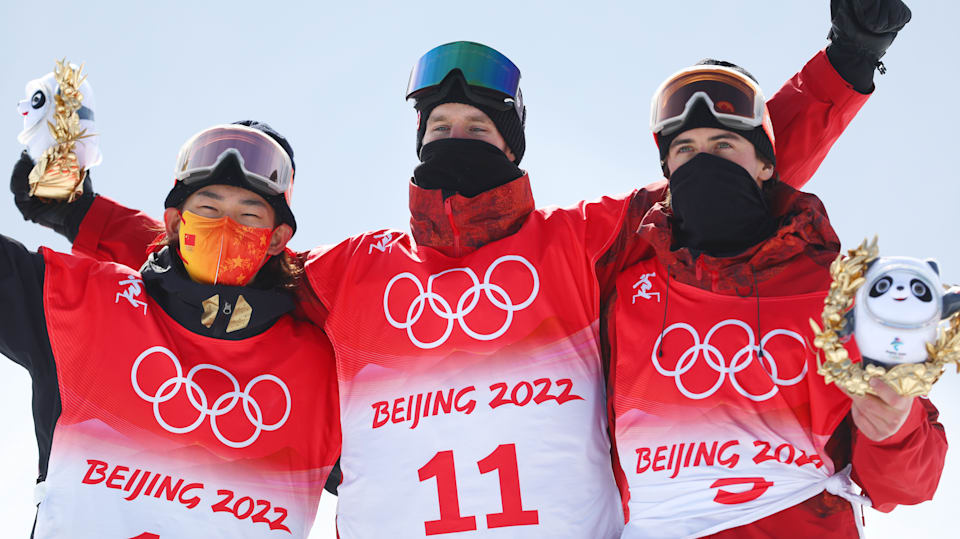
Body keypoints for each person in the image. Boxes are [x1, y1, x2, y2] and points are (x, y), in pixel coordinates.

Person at [6, 3, 910, 536]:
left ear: (514, 145)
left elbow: (717, 173)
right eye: (439, 127)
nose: (455, 136)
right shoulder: (356, 274)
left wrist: (845, 66)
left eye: (477, 128)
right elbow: (222, 262)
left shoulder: (581, 241)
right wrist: (81, 213)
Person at [605, 58, 945, 538]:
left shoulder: (841, 294)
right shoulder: (625, 292)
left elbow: (908, 486)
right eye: (685, 149)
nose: (704, 161)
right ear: (667, 173)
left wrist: (894, 429)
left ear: (767, 164)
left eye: (724, 145)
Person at [1, 122, 340, 537]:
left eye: (249, 214)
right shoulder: (92, 307)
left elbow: (409, 462)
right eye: (209, 210)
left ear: (276, 239)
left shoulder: (320, 373)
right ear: (177, 223)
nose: (225, 228)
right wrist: (63, 193)